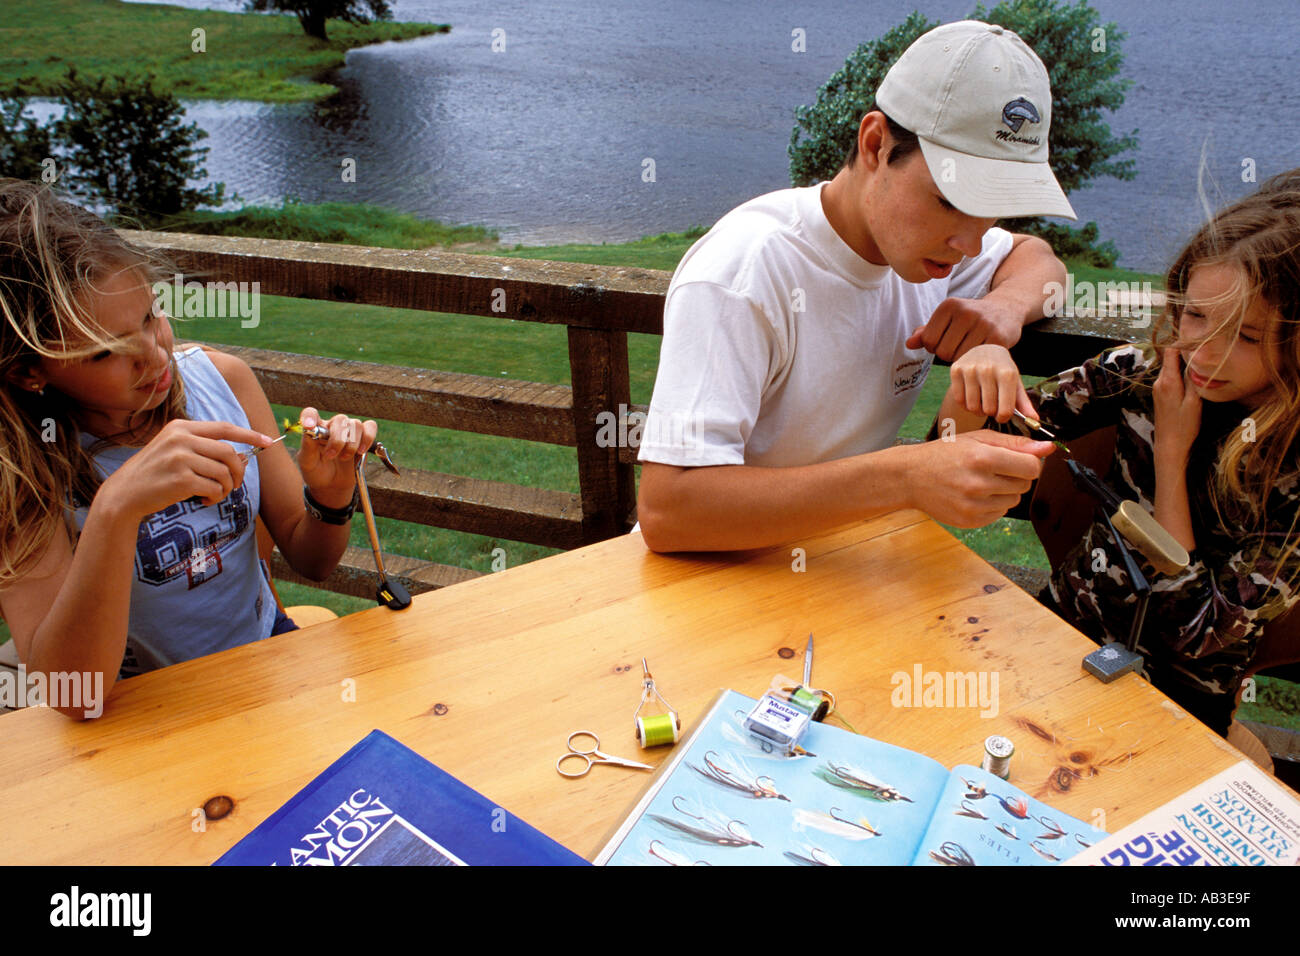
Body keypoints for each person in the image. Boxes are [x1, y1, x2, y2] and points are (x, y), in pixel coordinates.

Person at [636, 20, 1076, 553]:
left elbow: (1038, 259)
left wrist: (1003, 309)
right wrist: (905, 478)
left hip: (833, 568)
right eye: (951, 201)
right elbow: (669, 509)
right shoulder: (747, 268)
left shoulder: (929, 249)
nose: (972, 242)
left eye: (993, 210)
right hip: (702, 583)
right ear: (875, 145)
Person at [935, 168, 1300, 736]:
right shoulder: (1136, 375)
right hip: (1056, 635)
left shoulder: (1290, 469)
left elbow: (1194, 632)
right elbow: (961, 451)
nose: (1204, 352)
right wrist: (981, 373)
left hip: (1178, 708)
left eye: (1246, 336)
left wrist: (1171, 459)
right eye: (1196, 314)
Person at [0, 179, 378, 718]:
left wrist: (332, 494)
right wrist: (114, 508)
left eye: (151, 316)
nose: (154, 356)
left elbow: (313, 559)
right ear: (31, 371)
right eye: (106, 351)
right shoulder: (25, 471)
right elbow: (71, 696)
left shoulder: (223, 381)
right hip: (139, 713)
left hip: (266, 659)